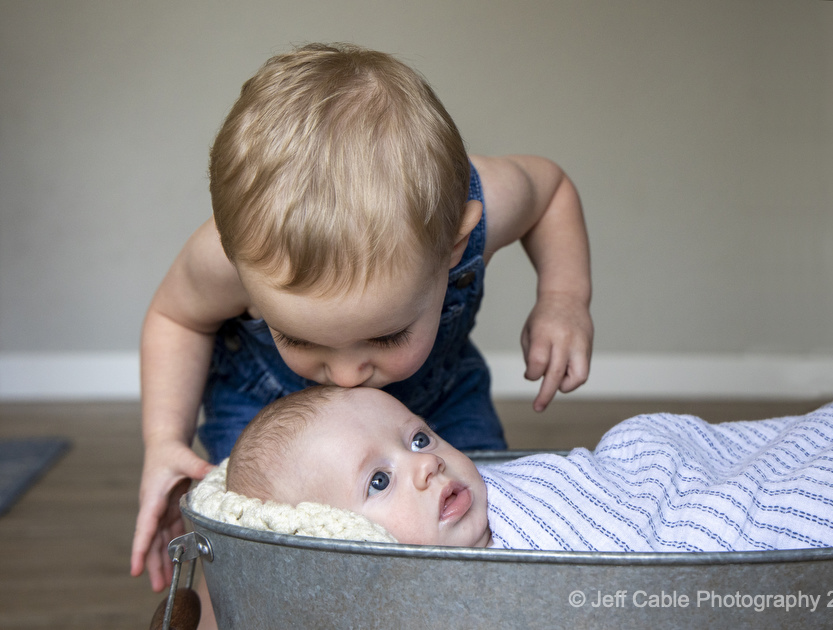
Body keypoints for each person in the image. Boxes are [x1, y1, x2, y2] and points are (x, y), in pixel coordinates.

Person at [131, 42, 593, 590]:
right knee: (252, 559)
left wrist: (563, 298)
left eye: (387, 334)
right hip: (275, 414)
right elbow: (177, 318)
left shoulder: (486, 201)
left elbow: (552, 189)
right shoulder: (226, 259)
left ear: (454, 245)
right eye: (300, 338)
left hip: (435, 402)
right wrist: (164, 440)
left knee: (482, 525)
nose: (348, 376)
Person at [220, 384, 833, 552]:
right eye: (378, 480)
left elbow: (637, 497)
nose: (424, 467)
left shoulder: (496, 507)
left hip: (665, 474)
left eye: (419, 439)